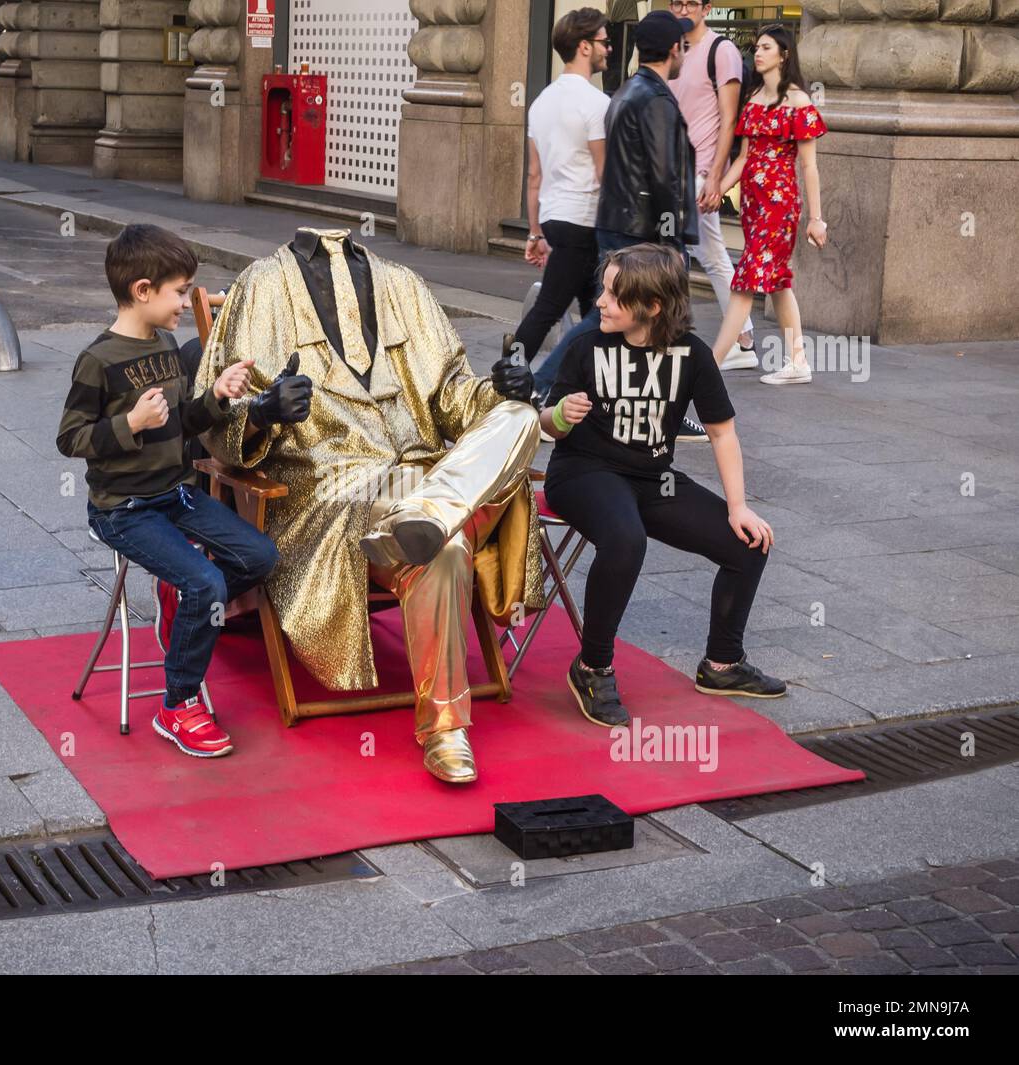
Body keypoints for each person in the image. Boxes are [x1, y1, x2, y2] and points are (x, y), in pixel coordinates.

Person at [195, 226, 543, 784]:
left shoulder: (402, 282)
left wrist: (502, 391)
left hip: (421, 479)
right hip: (334, 490)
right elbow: (213, 418)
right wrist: (261, 413)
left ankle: (427, 515)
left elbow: (455, 395)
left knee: (520, 419)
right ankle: (446, 728)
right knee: (447, 552)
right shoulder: (259, 285)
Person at [541, 244, 785, 727]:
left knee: (748, 545)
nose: (601, 302)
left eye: (615, 294)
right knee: (625, 538)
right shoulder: (587, 345)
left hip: (653, 478)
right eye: (604, 289)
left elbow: (721, 431)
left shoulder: (691, 355)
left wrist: (739, 507)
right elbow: (546, 424)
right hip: (583, 472)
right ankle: (592, 667)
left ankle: (722, 664)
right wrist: (561, 417)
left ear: (652, 307)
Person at [57, 225, 278, 759]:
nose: (187, 302)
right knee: (205, 582)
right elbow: (70, 439)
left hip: (175, 494)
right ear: (142, 290)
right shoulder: (99, 360)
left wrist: (218, 396)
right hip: (124, 509)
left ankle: (190, 604)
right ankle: (177, 705)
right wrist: (129, 422)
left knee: (260, 555)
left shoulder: (168, 346)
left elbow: (181, 422)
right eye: (180, 291)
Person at [534, 10, 708, 442]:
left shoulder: (627, 93)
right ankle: (541, 386)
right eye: (682, 46)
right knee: (630, 317)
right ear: (674, 50)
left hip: (620, 223)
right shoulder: (656, 100)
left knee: (616, 314)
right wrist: (673, 239)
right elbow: (665, 176)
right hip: (644, 230)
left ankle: (658, 408)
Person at [708, 25, 828, 385]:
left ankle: (711, 364)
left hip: (780, 207)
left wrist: (816, 218)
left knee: (745, 280)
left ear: (784, 54)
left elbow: (809, 166)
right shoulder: (754, 97)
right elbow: (744, 159)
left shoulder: (800, 102)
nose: (757, 53)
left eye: (765, 47)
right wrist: (718, 191)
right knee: (777, 282)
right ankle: (798, 362)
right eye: (756, 47)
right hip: (752, 205)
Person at [516, 8, 610, 388]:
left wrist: (536, 233)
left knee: (598, 312)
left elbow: (534, 175)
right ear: (585, 46)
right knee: (550, 308)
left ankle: (593, 390)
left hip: (555, 218)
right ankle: (510, 378)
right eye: (604, 42)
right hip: (583, 220)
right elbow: (605, 175)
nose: (610, 49)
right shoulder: (596, 104)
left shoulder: (540, 103)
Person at [668, 0, 757, 370]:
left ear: (706, 7)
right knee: (703, 252)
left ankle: (743, 338)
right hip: (672, 169)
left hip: (701, 169)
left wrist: (716, 176)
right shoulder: (672, 50)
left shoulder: (722, 50)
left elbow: (730, 117)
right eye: (676, 2)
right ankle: (743, 338)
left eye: (691, 2)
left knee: (709, 253)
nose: (683, 8)